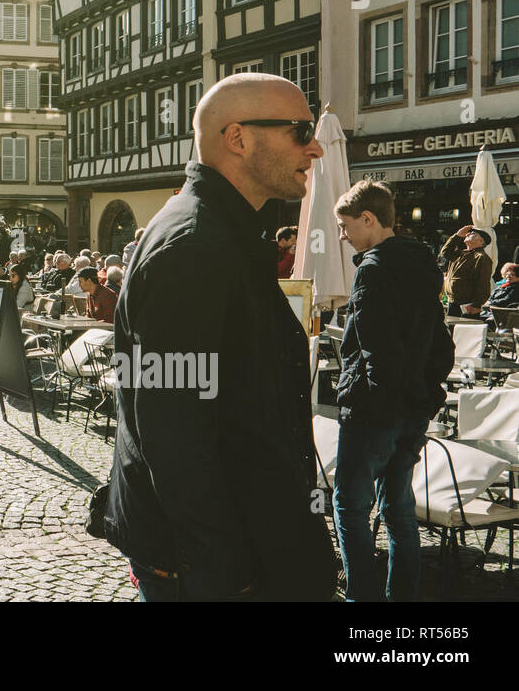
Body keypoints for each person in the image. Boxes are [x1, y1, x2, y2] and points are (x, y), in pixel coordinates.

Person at [103, 72, 336, 602]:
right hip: (219, 566)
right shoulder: (195, 244)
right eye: (300, 130)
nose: (316, 146)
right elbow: (173, 430)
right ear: (238, 139)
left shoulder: (221, 232)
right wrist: (226, 571)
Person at [331, 180, 454, 602]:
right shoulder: (422, 264)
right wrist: (426, 395)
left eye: (344, 225)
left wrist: (382, 408)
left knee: (349, 506)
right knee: (399, 508)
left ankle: (361, 598)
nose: (342, 235)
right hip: (412, 410)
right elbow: (442, 344)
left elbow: (376, 350)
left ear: (368, 219)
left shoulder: (372, 269)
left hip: (375, 414)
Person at [439, 226, 495, 316]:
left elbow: (483, 282)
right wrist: (457, 236)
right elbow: (445, 252)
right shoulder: (461, 254)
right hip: (453, 301)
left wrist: (477, 304)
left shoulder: (481, 257)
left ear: (481, 241)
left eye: (473, 234)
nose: (468, 234)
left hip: (467, 305)